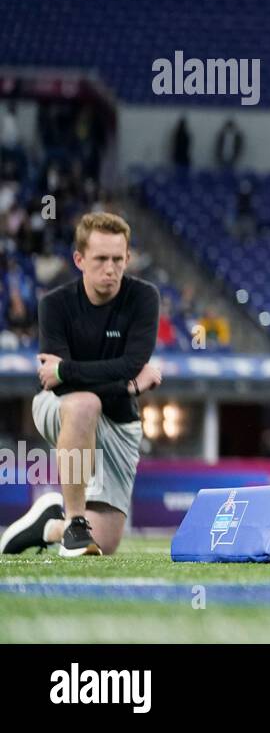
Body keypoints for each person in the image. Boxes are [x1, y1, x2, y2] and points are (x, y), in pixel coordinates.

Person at [0, 213, 162, 556]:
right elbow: (56, 384)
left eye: (118, 259)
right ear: (79, 259)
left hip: (120, 421)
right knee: (84, 402)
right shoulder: (55, 304)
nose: (111, 268)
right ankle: (74, 522)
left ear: (128, 259)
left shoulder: (144, 298)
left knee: (105, 543)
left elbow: (129, 364)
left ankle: (50, 524)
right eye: (101, 259)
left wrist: (70, 370)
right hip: (59, 406)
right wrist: (129, 384)